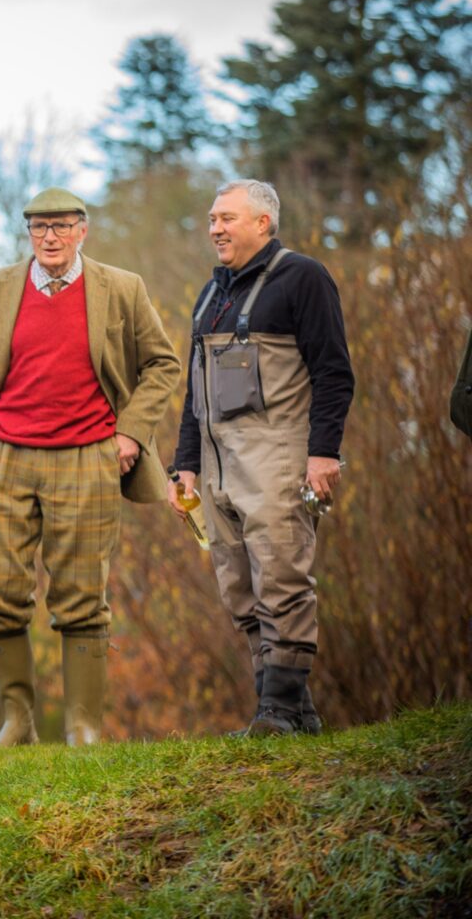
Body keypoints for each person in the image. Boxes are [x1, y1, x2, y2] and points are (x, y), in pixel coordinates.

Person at [0, 188, 180, 748]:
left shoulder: (121, 288)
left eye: (60, 226)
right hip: (1, 457)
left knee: (81, 596)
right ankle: (17, 723)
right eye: (38, 227)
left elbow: (162, 364)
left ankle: (83, 728)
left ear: (83, 230)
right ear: (28, 233)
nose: (49, 237)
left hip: (88, 455)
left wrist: (129, 433)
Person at [168, 179, 354, 736]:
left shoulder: (304, 278)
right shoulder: (210, 293)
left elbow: (334, 372)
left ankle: (277, 712)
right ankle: (293, 711)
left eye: (227, 218)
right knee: (239, 590)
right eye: (211, 219)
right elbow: (192, 393)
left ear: (263, 223)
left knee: (281, 580)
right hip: (216, 465)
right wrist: (185, 466)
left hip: (277, 458)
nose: (215, 229)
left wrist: (323, 454)